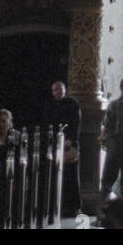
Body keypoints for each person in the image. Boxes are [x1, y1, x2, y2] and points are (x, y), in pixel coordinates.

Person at [42, 81, 82, 216]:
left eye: (60, 89)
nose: (58, 92)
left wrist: (70, 140)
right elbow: (46, 123)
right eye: (55, 90)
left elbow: (76, 122)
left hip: (69, 143)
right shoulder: (49, 105)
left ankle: (74, 207)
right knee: (55, 175)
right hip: (54, 144)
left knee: (71, 176)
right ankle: (56, 205)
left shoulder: (72, 104)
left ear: (65, 90)